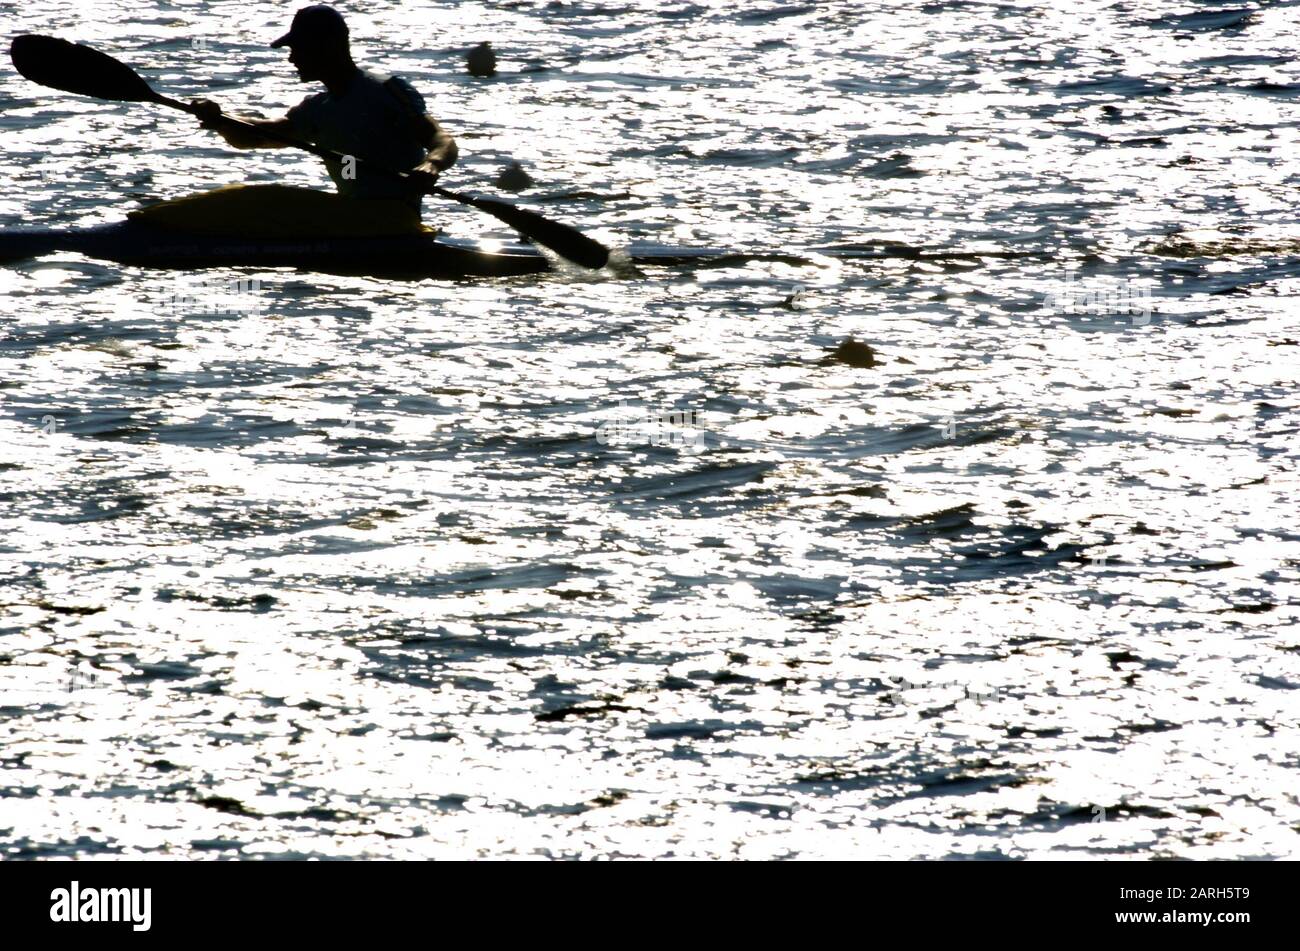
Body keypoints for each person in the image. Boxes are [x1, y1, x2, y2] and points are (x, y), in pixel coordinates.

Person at [189, 5, 457, 211]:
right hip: (352, 218)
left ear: (328, 46)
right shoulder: (318, 109)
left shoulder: (386, 91)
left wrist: (431, 165)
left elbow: (441, 139)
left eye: (298, 48)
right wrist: (220, 120)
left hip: (396, 220)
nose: (292, 58)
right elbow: (256, 137)